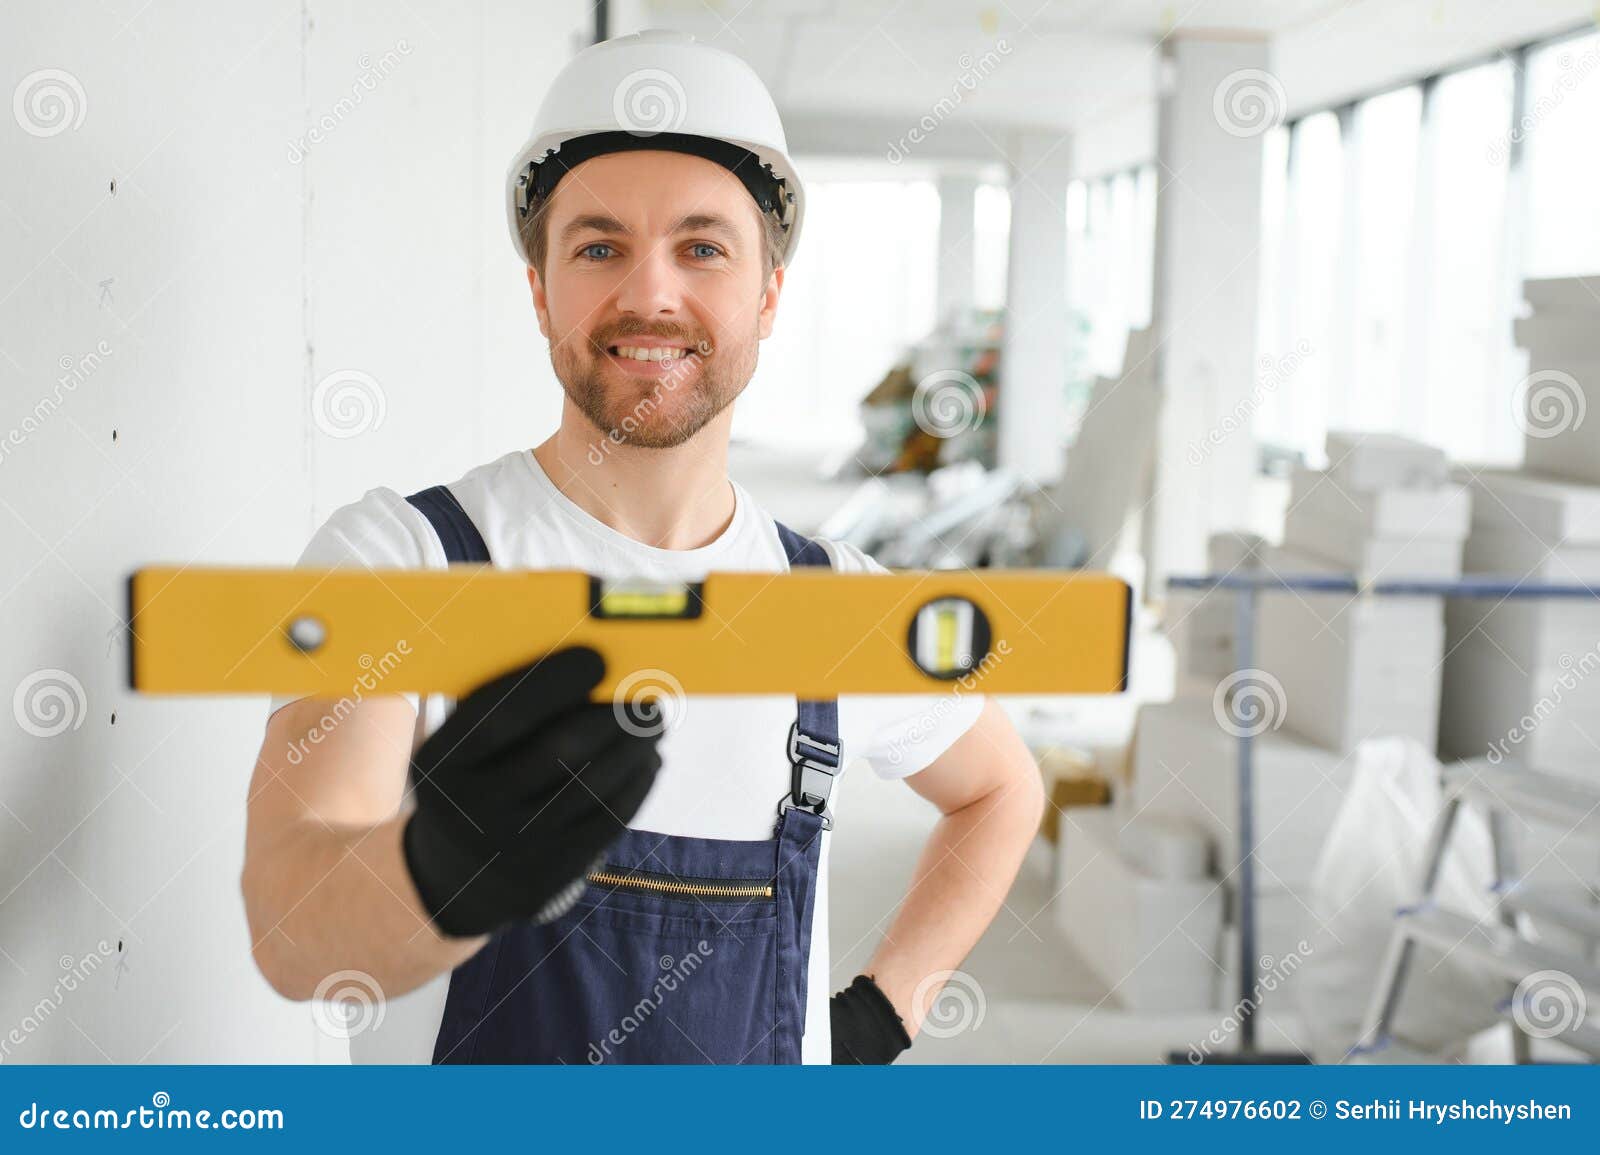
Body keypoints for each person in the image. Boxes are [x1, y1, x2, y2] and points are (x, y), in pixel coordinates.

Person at [243, 30, 1044, 1065]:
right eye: (598, 246)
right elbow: (293, 927)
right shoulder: (405, 563)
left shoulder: (838, 612)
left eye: (703, 247)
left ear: (767, 296)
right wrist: (437, 870)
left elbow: (1000, 790)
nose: (652, 294)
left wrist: (879, 1017)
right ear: (541, 291)